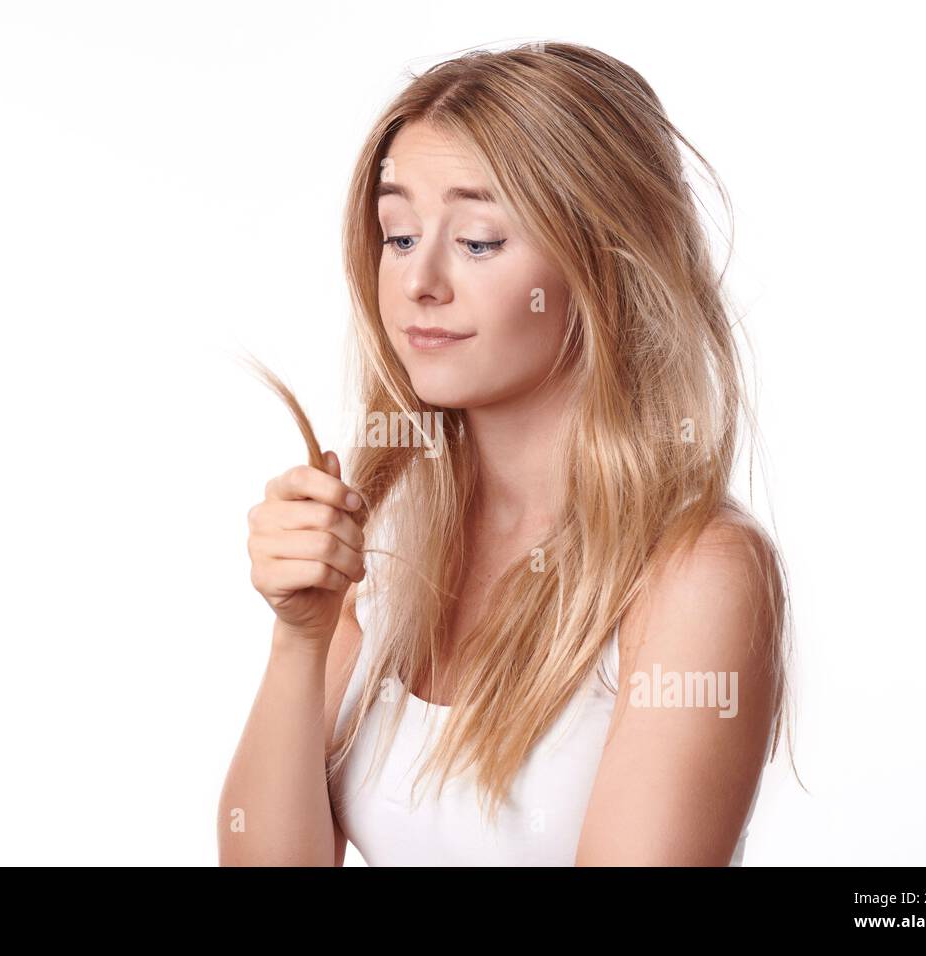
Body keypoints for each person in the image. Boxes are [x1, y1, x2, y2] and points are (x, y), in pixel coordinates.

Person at [218, 41, 797, 866]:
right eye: (400, 234)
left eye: (481, 241)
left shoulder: (696, 571)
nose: (421, 281)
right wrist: (299, 639)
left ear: (603, 262)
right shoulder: (383, 530)